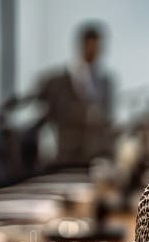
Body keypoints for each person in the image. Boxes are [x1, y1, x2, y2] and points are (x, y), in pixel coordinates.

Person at [36, 23, 115, 169]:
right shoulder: (58, 81)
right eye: (93, 46)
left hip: (99, 154)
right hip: (68, 155)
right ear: (84, 45)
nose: (96, 51)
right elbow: (53, 114)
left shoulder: (105, 81)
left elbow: (107, 115)